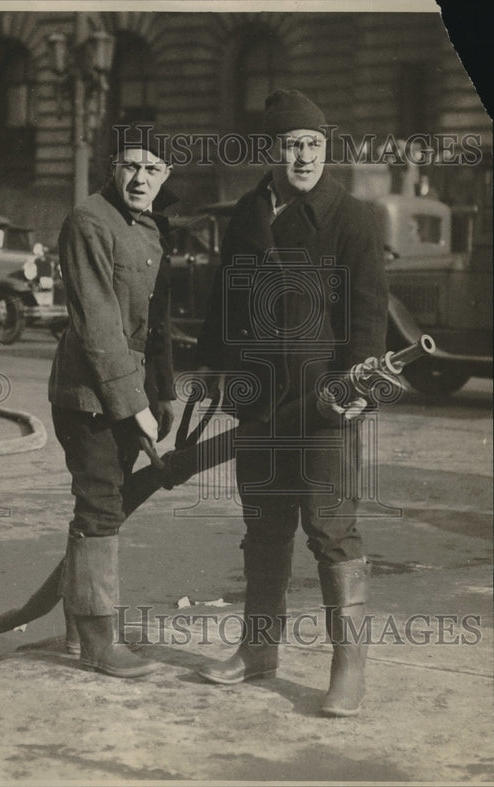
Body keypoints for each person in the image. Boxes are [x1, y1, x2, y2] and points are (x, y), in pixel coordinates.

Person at [196, 89, 389, 716]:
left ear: (325, 148)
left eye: (312, 144)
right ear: (271, 151)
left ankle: (349, 670)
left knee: (331, 530)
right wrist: (213, 364)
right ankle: (258, 650)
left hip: (323, 399)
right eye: (290, 145)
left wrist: (361, 391)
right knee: (265, 527)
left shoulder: (353, 218)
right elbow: (224, 299)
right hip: (257, 396)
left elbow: (367, 320)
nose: (303, 156)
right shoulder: (247, 214)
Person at [48, 124, 176, 678]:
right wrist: (134, 404)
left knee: (105, 504)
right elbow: (99, 322)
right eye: (130, 166)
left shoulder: (149, 230)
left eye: (152, 168)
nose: (141, 178)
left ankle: (79, 626)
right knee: (101, 505)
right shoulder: (88, 222)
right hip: (87, 396)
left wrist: (163, 392)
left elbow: (158, 321)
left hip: (126, 392)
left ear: (165, 175)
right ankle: (100, 643)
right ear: (112, 167)